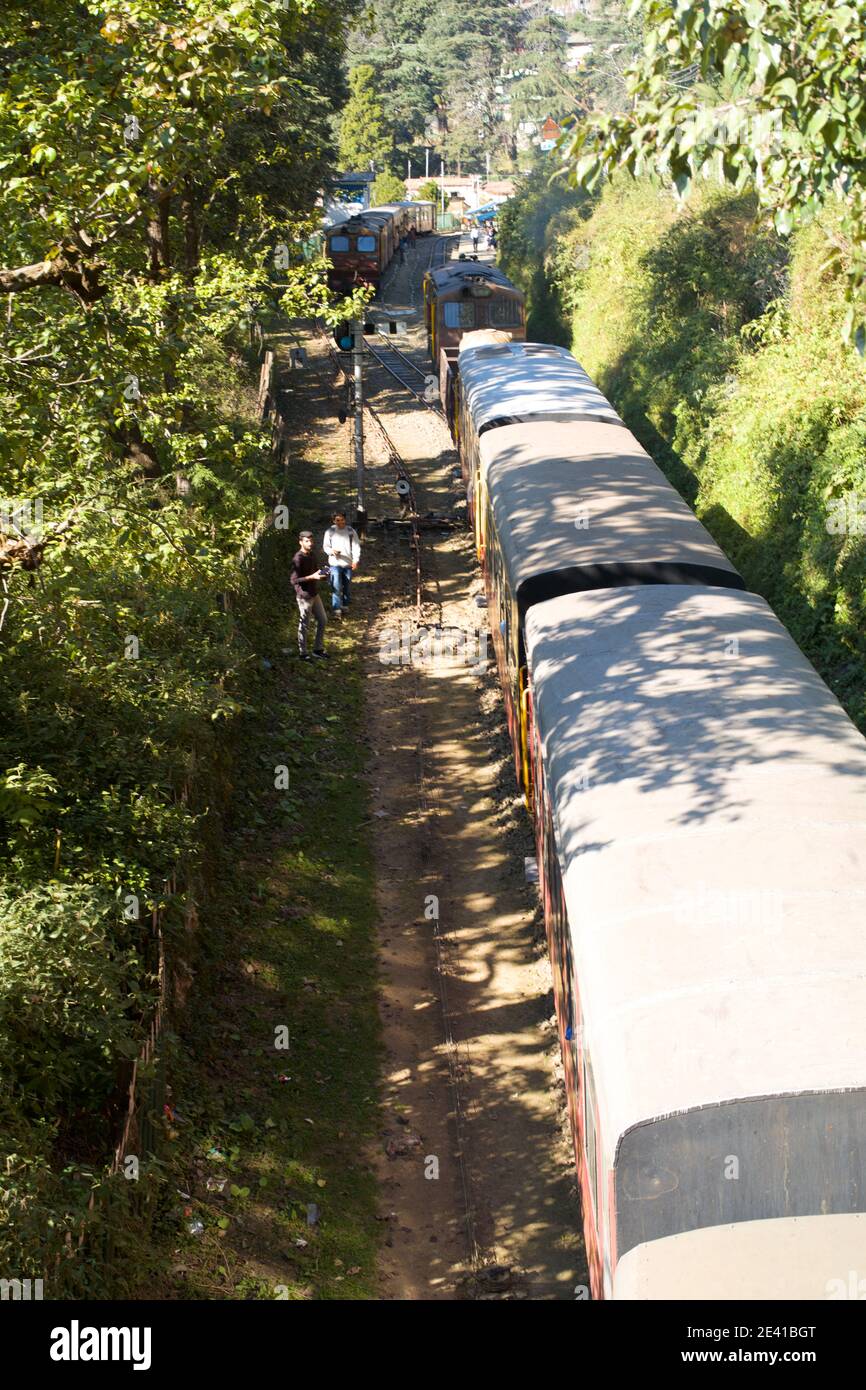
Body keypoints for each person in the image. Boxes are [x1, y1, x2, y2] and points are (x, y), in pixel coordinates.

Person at [291, 530, 328, 660]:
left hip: (314, 593)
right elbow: (294, 580)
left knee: (323, 620)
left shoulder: (312, 555)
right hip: (304, 596)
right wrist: (312, 576)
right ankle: (303, 653)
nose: (310, 543)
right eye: (307, 541)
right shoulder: (298, 558)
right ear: (301, 542)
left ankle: (317, 650)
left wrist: (323, 575)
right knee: (304, 624)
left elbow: (316, 572)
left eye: (311, 540)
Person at [323, 511, 361, 618]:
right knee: (336, 586)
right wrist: (332, 551)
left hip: (347, 563)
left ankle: (345, 605)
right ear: (334, 521)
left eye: (342, 520)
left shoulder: (350, 531)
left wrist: (355, 560)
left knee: (347, 586)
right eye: (338, 520)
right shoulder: (329, 532)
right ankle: (336, 609)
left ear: (345, 519)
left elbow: (356, 546)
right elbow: (326, 547)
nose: (340, 522)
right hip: (335, 563)